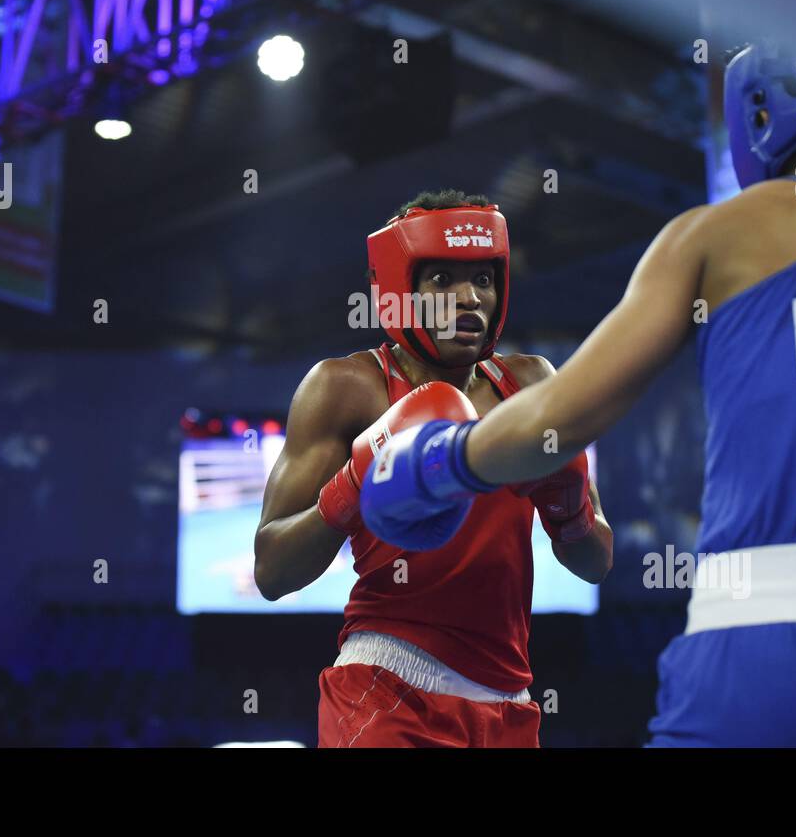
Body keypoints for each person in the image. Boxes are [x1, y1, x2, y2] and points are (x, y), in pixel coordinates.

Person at [360, 45, 796, 746]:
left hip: (756, 646)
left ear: (757, 116)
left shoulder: (717, 234)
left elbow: (564, 416)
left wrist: (439, 462)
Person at [254, 189, 612, 747]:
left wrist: (571, 509)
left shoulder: (531, 385)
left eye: (484, 280)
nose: (468, 297)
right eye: (442, 280)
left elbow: (597, 564)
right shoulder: (346, 388)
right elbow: (272, 572)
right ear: (401, 292)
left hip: (510, 703)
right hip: (388, 686)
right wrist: (354, 483)